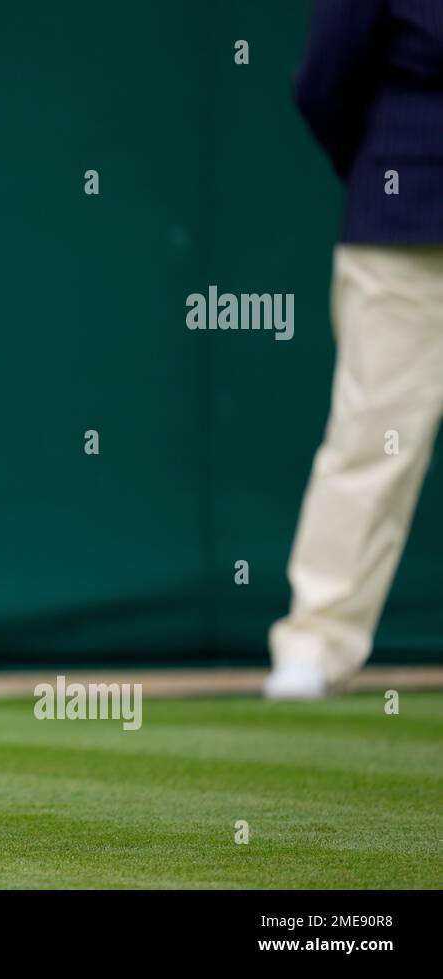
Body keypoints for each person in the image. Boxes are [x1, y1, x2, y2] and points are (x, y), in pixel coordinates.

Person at [267, 0, 443, 699]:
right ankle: (314, 645)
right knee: (375, 440)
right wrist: (386, 173)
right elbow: (324, 82)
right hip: (406, 221)